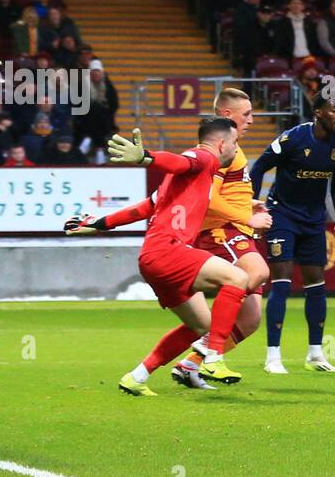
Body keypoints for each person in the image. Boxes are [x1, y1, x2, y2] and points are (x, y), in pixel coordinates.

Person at [96, 120, 251, 395]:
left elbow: (145, 207)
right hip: (169, 250)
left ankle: (137, 377)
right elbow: (180, 162)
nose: (237, 149)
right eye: (235, 143)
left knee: (201, 325)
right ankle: (214, 357)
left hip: (152, 257)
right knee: (238, 277)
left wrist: (101, 222)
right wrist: (147, 158)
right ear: (222, 144)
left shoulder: (184, 179)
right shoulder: (203, 157)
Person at [249, 98, 335, 374]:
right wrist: (252, 206)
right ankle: (273, 356)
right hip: (282, 215)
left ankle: (316, 354)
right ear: (318, 113)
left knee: (316, 285)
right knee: (281, 282)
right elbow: (259, 166)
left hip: (314, 221)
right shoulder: (293, 138)